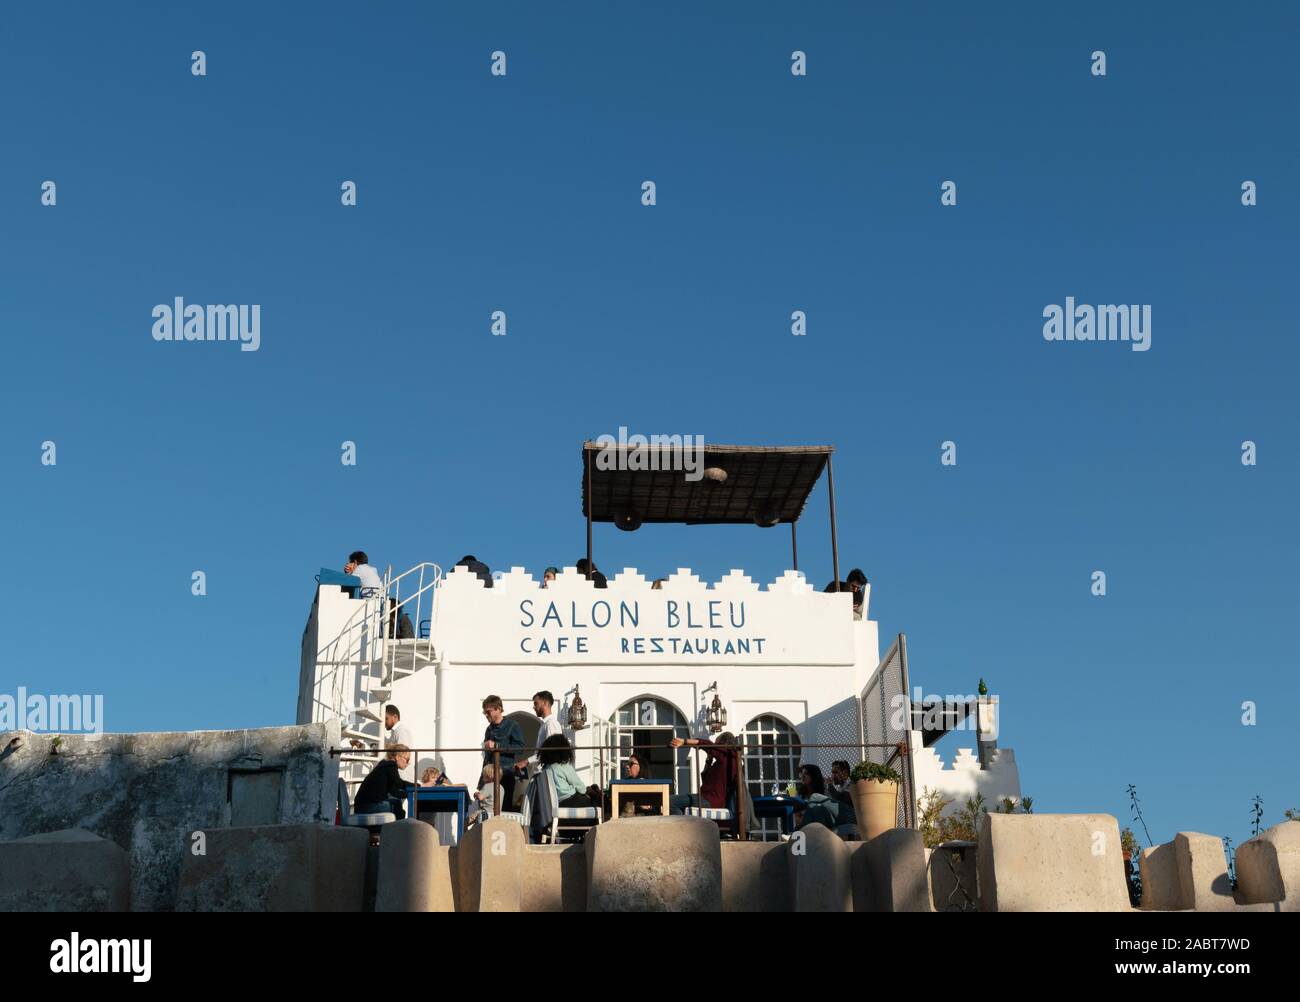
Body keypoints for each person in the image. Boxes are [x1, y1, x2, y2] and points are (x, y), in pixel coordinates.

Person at [530, 734, 593, 842]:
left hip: (556, 814)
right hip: (572, 809)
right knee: (596, 801)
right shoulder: (563, 767)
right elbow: (581, 788)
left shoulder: (546, 770)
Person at [668, 733, 738, 815]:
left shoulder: (727, 754)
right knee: (675, 801)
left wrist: (684, 741)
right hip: (707, 798)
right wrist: (709, 760)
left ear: (722, 743)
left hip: (709, 800)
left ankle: (680, 826)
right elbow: (705, 778)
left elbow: (706, 744)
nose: (715, 745)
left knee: (669, 801)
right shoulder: (723, 762)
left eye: (717, 743)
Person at [354, 745, 424, 819]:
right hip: (367, 807)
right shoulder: (390, 765)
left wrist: (408, 794)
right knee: (398, 809)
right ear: (397, 757)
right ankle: (396, 829)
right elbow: (398, 783)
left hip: (362, 806)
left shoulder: (385, 765)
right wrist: (418, 786)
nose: (408, 763)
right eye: (407, 759)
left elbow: (394, 791)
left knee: (397, 803)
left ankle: (393, 828)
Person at [481, 695, 524, 810]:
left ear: (498, 708)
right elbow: (487, 756)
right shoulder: (488, 729)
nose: (486, 715)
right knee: (486, 809)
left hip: (505, 775)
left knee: (504, 809)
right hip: (489, 776)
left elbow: (520, 748)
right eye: (484, 713)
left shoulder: (512, 725)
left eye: (488, 712)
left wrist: (497, 746)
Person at [519, 690, 564, 780]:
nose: (534, 707)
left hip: (549, 774)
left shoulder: (551, 724)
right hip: (543, 772)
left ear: (545, 703)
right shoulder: (546, 724)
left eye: (536, 703)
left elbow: (551, 751)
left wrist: (526, 761)